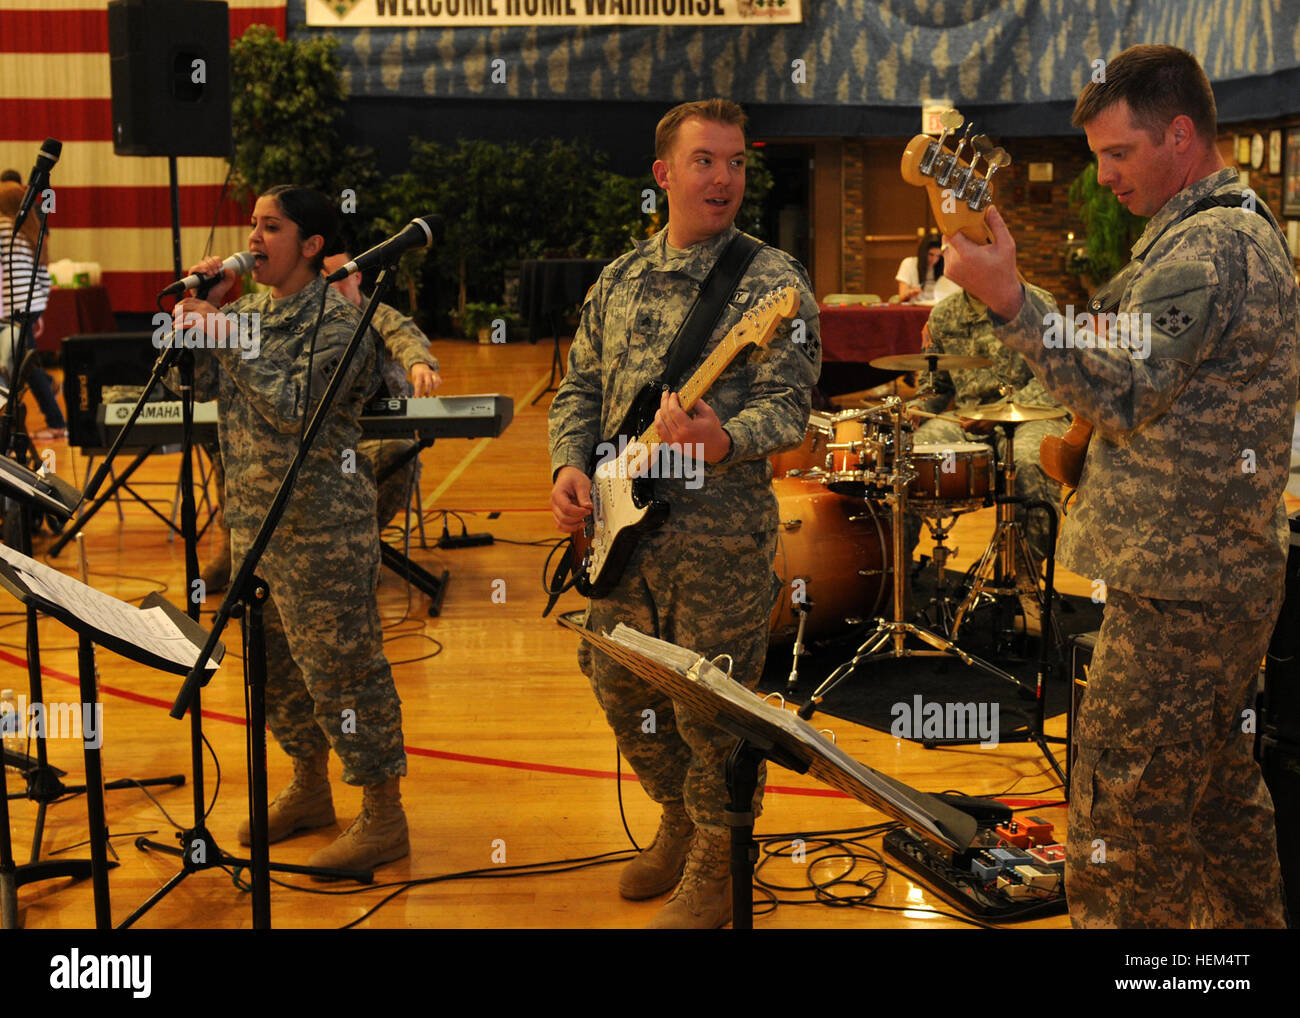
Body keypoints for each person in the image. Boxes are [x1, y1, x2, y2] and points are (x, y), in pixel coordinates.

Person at [942, 45, 1295, 928]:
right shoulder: (1210, 230)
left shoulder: (1212, 242)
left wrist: (1008, 300)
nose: (1102, 178)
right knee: (1218, 816)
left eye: (1118, 154)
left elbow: (1124, 385)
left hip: (1181, 597)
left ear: (1181, 134)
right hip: (1210, 587)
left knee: (1122, 837)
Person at [548, 99, 820, 929]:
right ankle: (678, 816)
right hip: (621, 535)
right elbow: (581, 388)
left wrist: (722, 438)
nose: (725, 179)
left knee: (716, 709)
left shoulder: (773, 284)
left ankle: (720, 856)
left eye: (737, 163)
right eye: (706, 161)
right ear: (664, 174)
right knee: (617, 682)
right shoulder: (620, 280)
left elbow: (791, 408)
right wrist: (568, 463)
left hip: (720, 540)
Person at [168, 185, 408, 874]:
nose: (253, 238)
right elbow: (199, 394)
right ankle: (308, 789)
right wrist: (205, 323)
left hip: (322, 534)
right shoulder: (246, 313)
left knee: (344, 675)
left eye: (270, 226)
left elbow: (294, 410)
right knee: (275, 676)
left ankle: (384, 817)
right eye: (251, 224)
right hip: (255, 528)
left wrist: (228, 339)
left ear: (310, 245)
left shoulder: (339, 322)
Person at [904, 287, 1069, 570]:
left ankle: (1023, 574)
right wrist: (917, 409)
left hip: (1035, 414)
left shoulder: (1038, 303)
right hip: (968, 420)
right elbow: (936, 387)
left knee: (1028, 460)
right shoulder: (943, 314)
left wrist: (1000, 410)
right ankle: (898, 576)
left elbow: (1056, 375)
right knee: (908, 460)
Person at [322, 249, 442, 530]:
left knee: (401, 455)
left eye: (342, 277)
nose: (335, 286)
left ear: (358, 277)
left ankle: (359, 545)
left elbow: (404, 338)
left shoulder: (377, 314)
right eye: (327, 279)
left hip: (381, 437)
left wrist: (419, 365)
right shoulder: (315, 321)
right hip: (329, 438)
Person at [0, 179, 68, 440]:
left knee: (21, 366)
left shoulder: (4, 228)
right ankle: (51, 407)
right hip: (31, 305)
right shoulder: (32, 230)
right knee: (21, 362)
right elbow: (42, 277)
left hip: (10, 308)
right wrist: (37, 309)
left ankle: (56, 421)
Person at [896, 231, 961, 305]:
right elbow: (902, 297)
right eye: (931, 254)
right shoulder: (909, 264)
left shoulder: (945, 266)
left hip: (938, 308)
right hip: (916, 308)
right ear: (923, 252)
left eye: (938, 256)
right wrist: (910, 293)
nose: (934, 260)